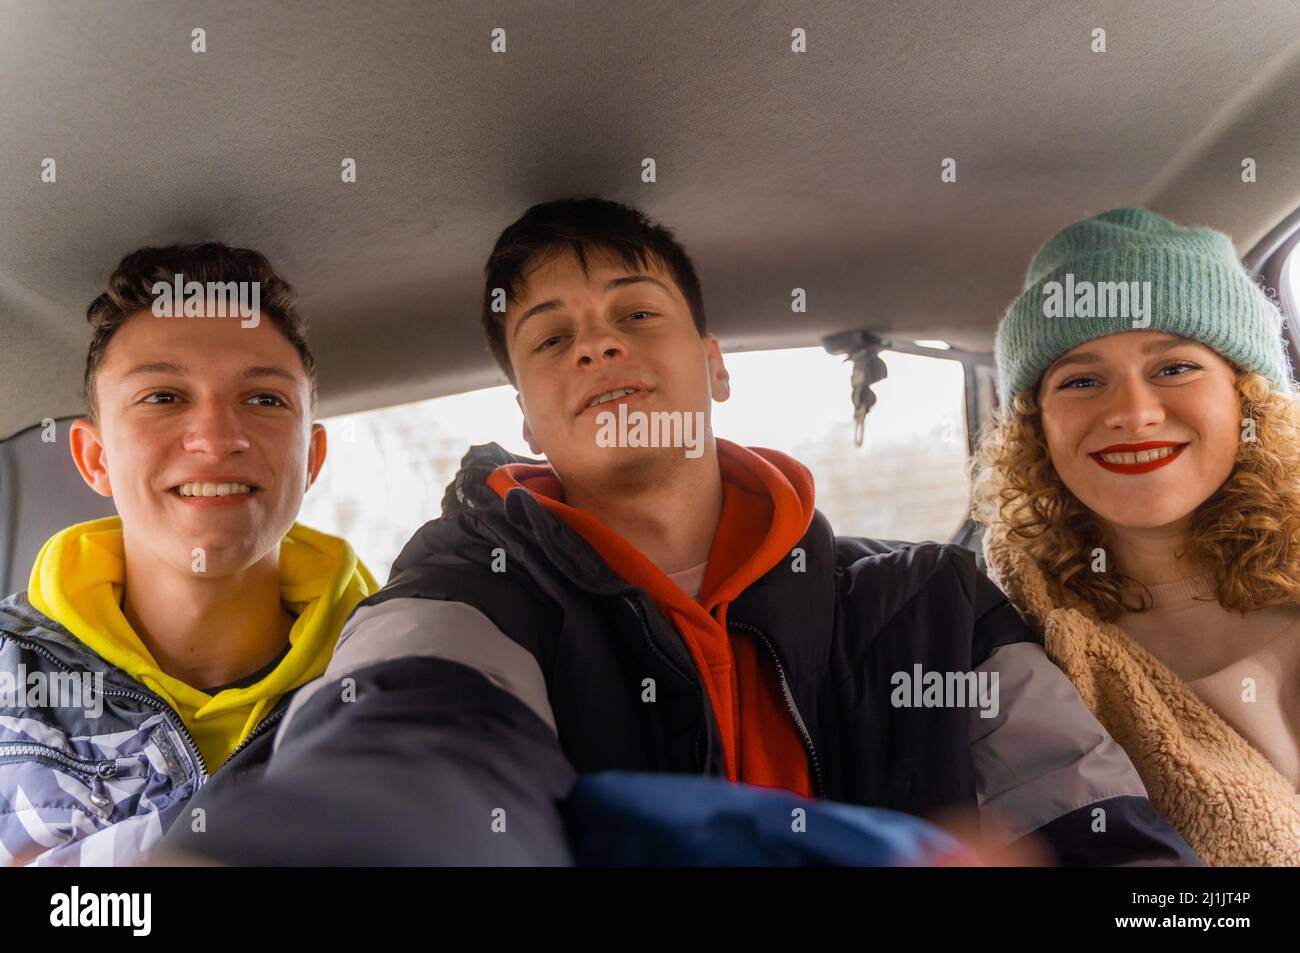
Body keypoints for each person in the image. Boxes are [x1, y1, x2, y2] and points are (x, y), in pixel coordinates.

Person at [165, 199, 1196, 866]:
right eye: (552, 336)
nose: (599, 342)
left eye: (636, 313)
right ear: (525, 412)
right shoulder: (467, 586)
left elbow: (1091, 816)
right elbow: (412, 730)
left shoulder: (928, 598)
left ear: (714, 365)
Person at [0, 243, 376, 865]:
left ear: (310, 459)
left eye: (263, 399)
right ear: (96, 459)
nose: (216, 439)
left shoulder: (402, 668)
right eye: (163, 397)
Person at [974, 207, 1300, 864]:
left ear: (1247, 395)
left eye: (1175, 368)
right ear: (1038, 427)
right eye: (1082, 380)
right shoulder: (1006, 637)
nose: (1132, 413)